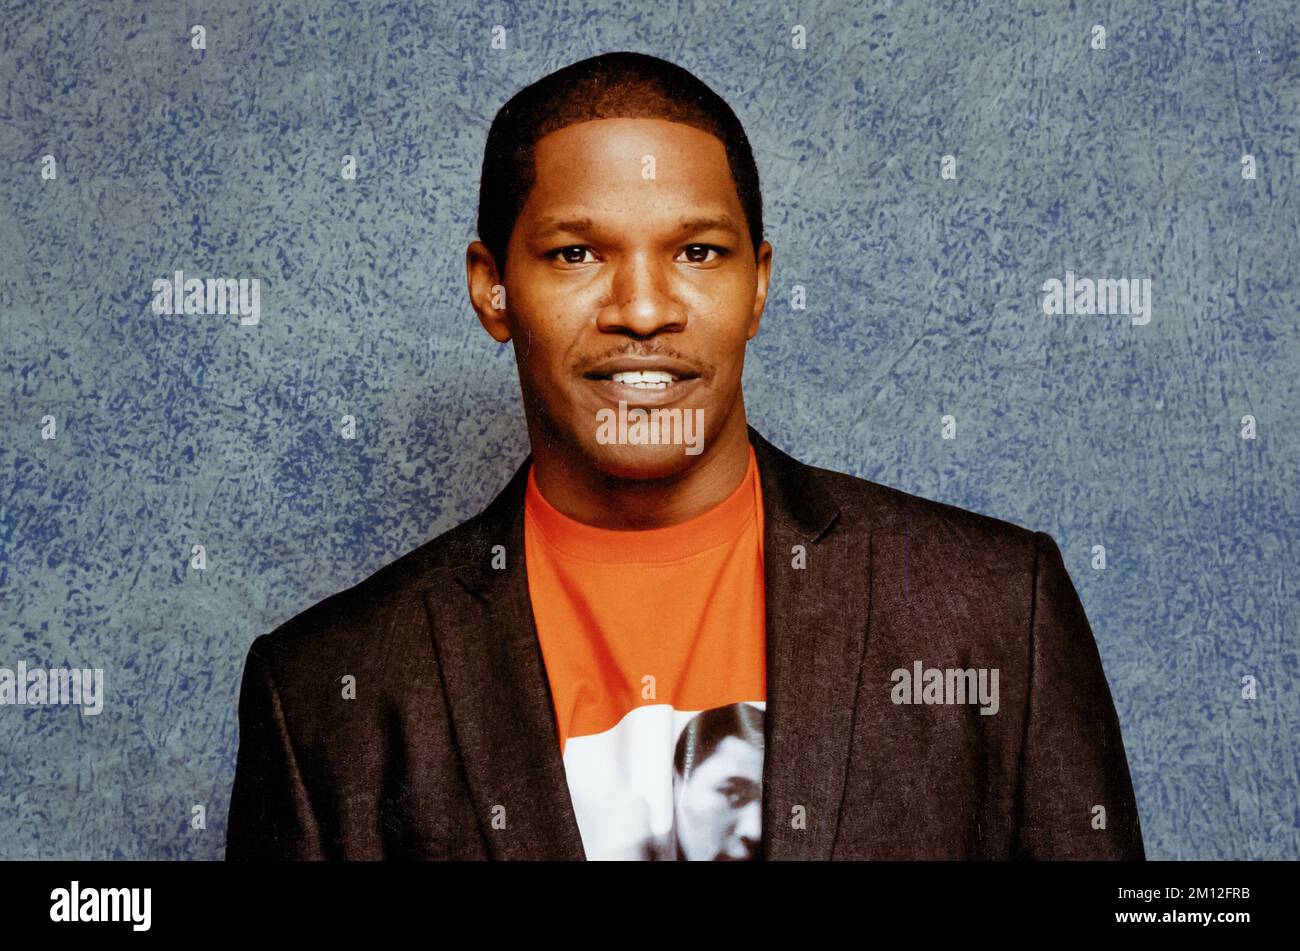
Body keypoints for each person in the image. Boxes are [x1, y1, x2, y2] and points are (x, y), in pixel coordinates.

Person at [226, 51, 1144, 861]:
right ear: (493, 290)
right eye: (577, 252)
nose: (644, 309)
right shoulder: (324, 693)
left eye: (699, 252)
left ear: (758, 286)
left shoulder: (991, 609)